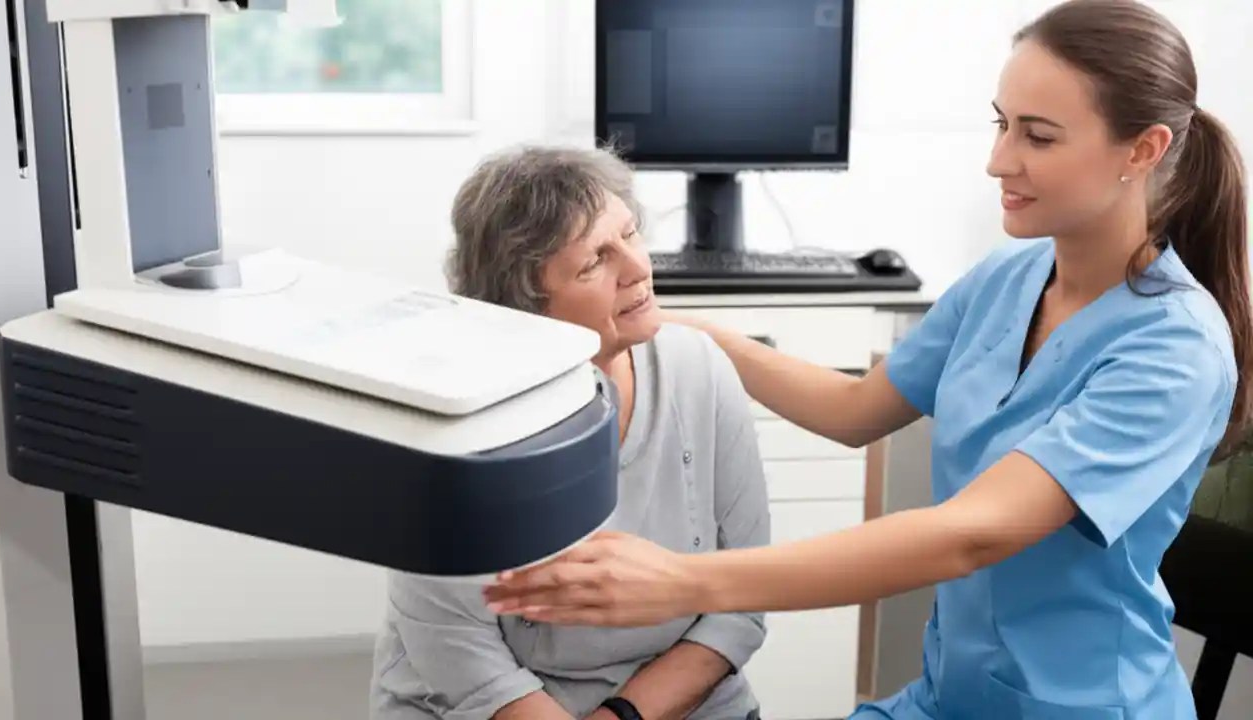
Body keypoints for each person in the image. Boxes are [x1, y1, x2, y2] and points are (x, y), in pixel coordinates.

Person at [482, 1, 1252, 718]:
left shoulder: (1175, 348)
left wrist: (678, 582)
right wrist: (668, 322)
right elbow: (854, 412)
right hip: (948, 696)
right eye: (1000, 124)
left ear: (1143, 150)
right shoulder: (1010, 277)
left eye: (1037, 136)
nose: (996, 161)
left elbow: (971, 534)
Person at [369, 145, 772, 720]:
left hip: (682, 700)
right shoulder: (451, 420)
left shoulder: (698, 369)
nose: (637, 268)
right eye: (594, 263)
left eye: (631, 235)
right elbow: (466, 658)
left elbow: (742, 598)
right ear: (526, 303)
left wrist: (623, 716)